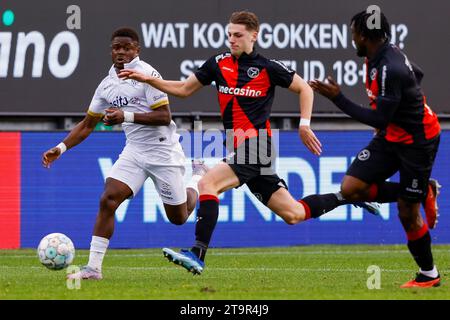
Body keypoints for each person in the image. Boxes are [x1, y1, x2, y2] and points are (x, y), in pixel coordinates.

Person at [119, 12, 379, 275]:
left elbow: (305, 89)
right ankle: (347, 196)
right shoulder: (218, 63)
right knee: (293, 214)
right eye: (229, 34)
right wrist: (148, 79)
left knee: (207, 183)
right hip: (240, 148)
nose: (232, 40)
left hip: (258, 147)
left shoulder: (268, 68)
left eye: (238, 35)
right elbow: (184, 89)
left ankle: (197, 253)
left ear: (254, 35)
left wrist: (304, 124)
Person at [41, 27, 208, 280]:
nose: (121, 52)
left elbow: (165, 116)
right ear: (111, 50)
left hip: (163, 151)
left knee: (179, 217)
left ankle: (197, 178)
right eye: (117, 47)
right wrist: (61, 147)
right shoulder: (107, 85)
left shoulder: (147, 75)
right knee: (108, 199)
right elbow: (87, 124)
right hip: (135, 151)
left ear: (136, 50)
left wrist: (125, 116)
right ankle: (93, 268)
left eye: (127, 48)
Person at [308, 10, 441, 288]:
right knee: (351, 188)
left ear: (365, 36)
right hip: (391, 136)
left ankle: (429, 274)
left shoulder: (387, 67)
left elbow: (379, 117)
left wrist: (338, 98)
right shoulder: (379, 55)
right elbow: (417, 74)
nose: (352, 38)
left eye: (354, 33)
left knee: (407, 212)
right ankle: (424, 189)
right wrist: (403, 104)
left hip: (418, 141)